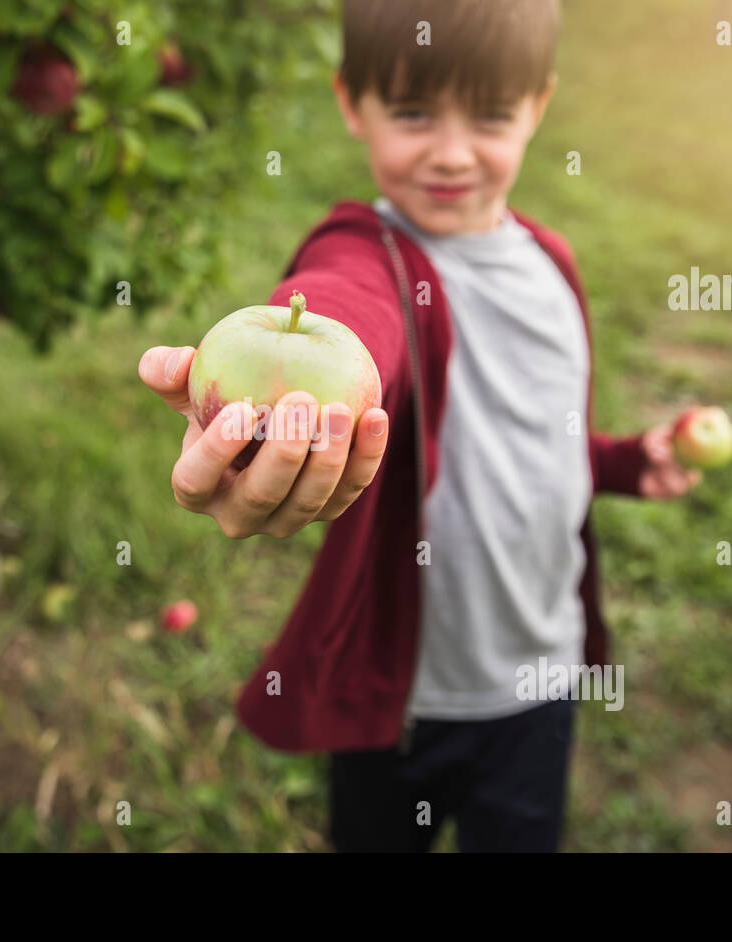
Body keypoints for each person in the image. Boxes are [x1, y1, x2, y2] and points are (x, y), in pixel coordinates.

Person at [138, 0, 702, 852]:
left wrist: (622, 463)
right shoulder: (371, 252)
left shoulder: (554, 265)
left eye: (488, 114)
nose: (449, 151)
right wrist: (306, 378)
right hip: (403, 692)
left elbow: (529, 437)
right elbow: (351, 308)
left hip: (540, 674)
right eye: (411, 112)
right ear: (350, 103)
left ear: (538, 107)